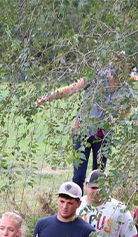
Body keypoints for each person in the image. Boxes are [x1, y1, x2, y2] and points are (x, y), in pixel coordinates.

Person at [34, 56, 131, 188]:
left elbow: (128, 107)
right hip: (82, 133)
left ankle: (95, 207)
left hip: (104, 136)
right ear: (109, 67)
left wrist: (117, 119)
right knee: (78, 177)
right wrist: (47, 98)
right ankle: (77, 205)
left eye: (119, 68)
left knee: (98, 178)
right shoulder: (95, 78)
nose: (114, 72)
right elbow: (71, 89)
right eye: (113, 67)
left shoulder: (124, 88)